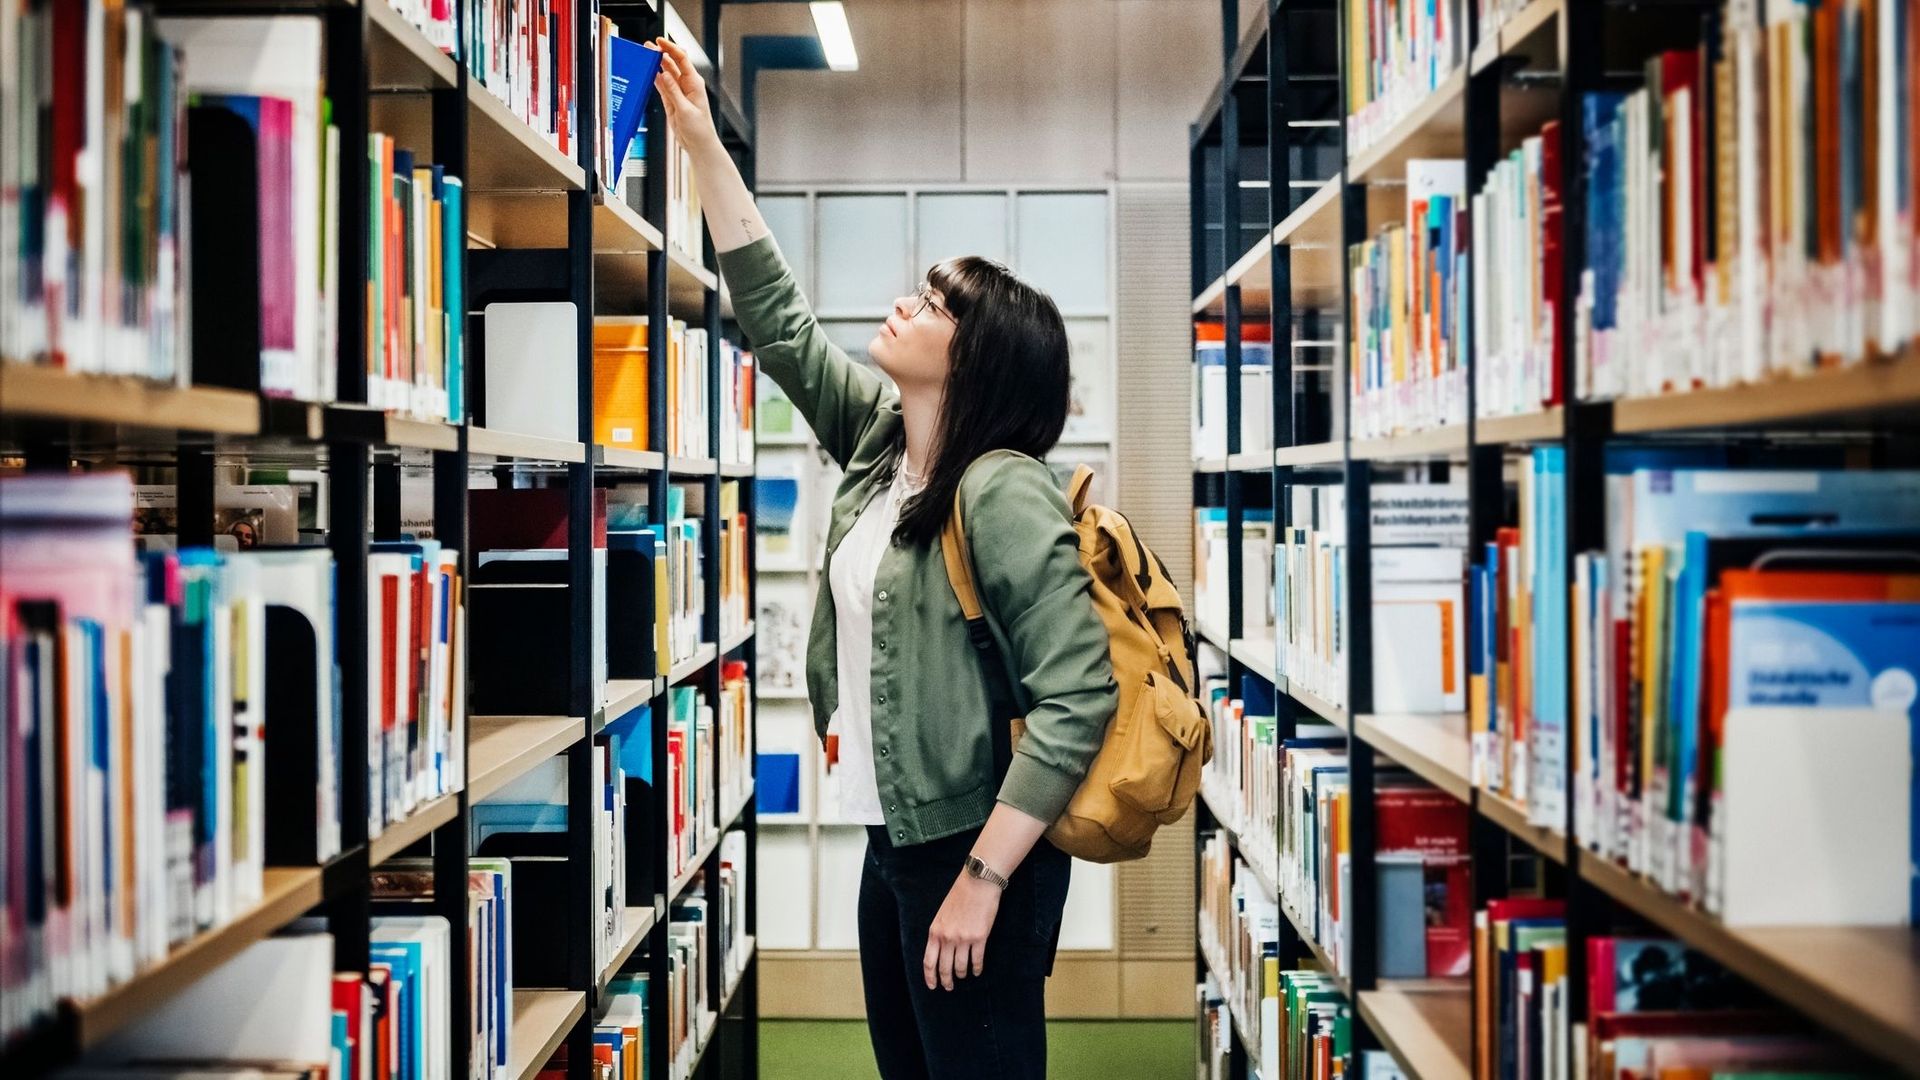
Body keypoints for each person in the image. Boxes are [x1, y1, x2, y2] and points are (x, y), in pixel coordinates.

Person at [652, 38, 1119, 1080]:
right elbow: (777, 325)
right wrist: (701, 146)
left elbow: (1078, 698)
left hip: (971, 850)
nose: (910, 303)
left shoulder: (999, 486)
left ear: (981, 360)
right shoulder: (882, 445)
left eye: (940, 303)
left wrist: (987, 880)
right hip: (892, 837)